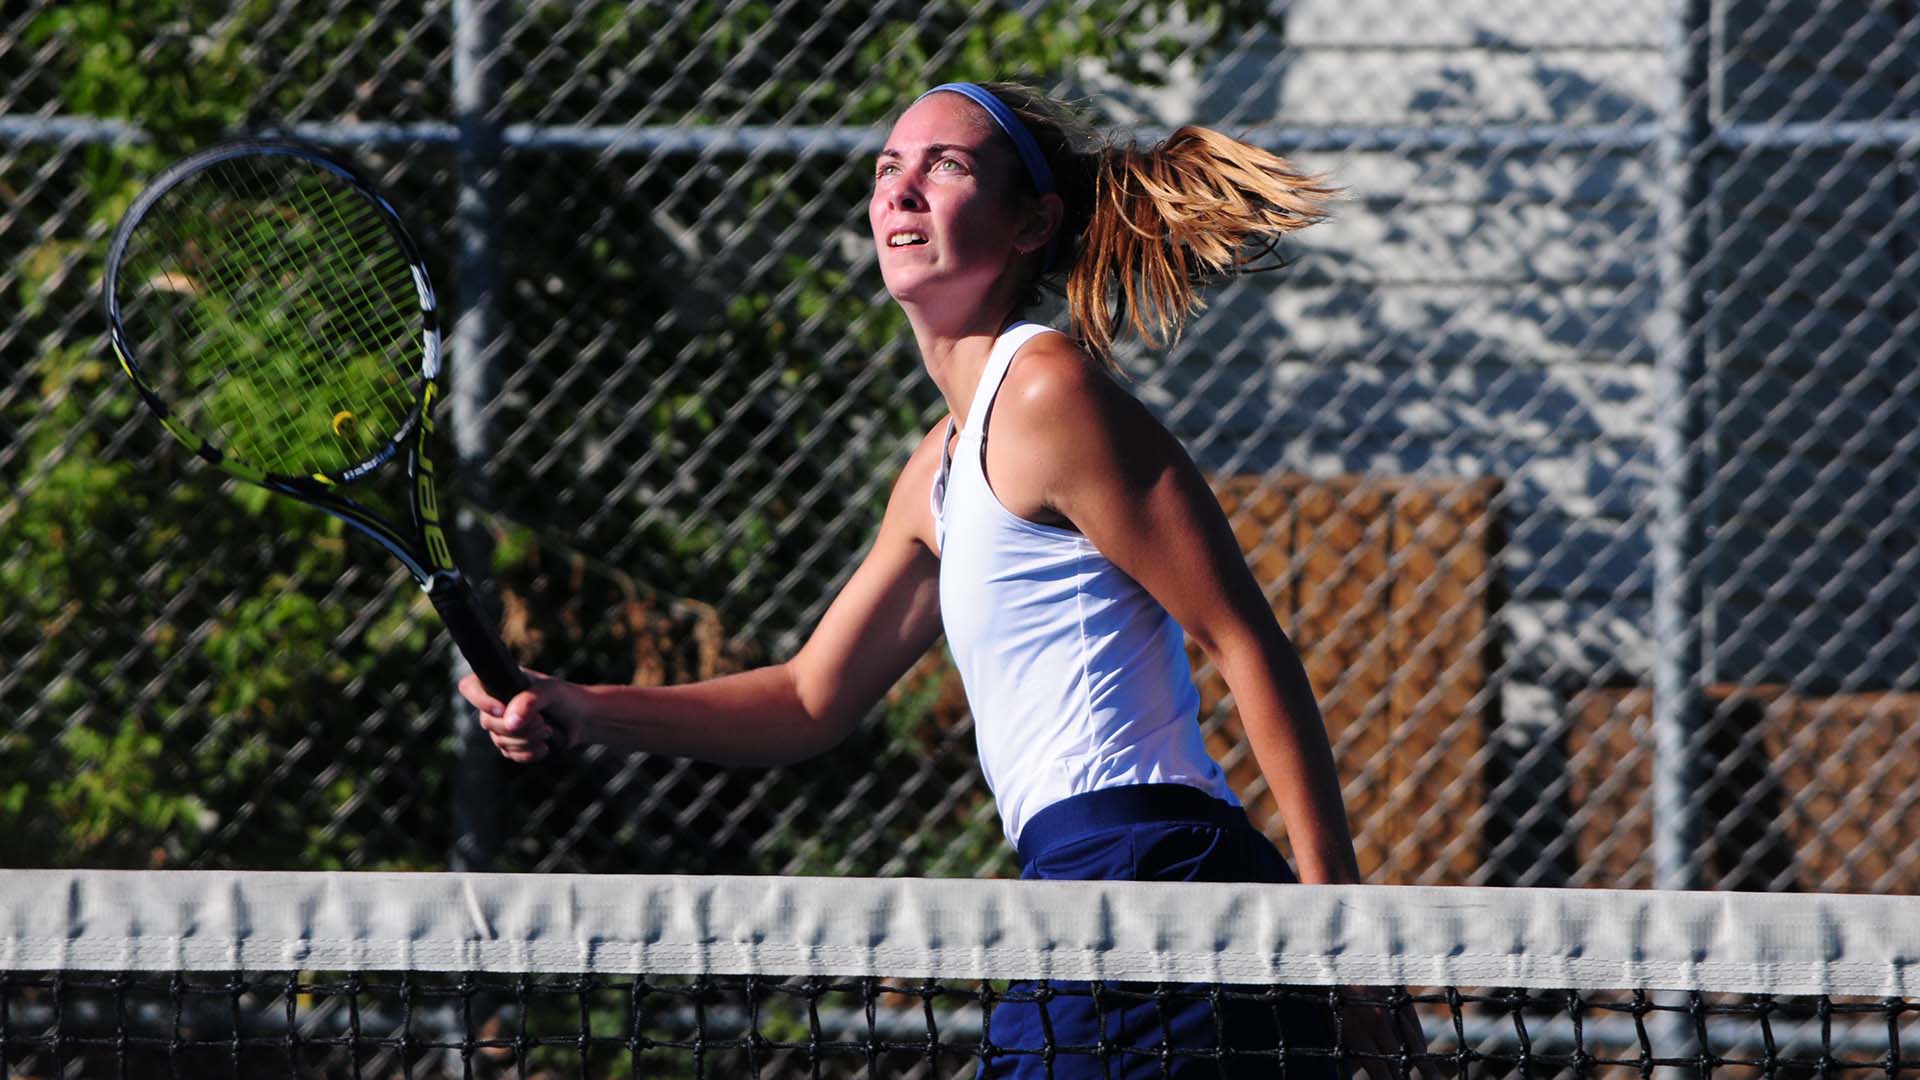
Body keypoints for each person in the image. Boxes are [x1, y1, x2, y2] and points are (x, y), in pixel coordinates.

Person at [461, 80, 1428, 1079]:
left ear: (1030, 224)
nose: (902, 190)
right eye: (888, 169)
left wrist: (1340, 938)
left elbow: (1245, 642)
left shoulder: (1051, 395)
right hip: (1081, 891)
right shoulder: (936, 471)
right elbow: (805, 699)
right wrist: (578, 706)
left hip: (1151, 872)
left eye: (946, 166)